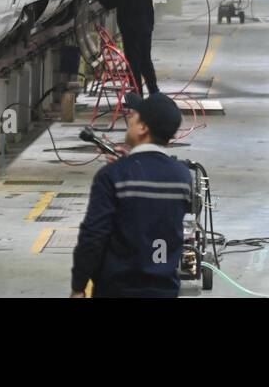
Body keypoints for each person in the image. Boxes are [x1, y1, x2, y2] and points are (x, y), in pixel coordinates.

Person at [70, 92, 193, 298]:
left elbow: (93, 236)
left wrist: (78, 285)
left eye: (134, 116)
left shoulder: (112, 176)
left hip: (118, 289)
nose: (129, 119)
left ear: (143, 128)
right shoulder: (182, 176)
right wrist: (134, 163)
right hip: (164, 289)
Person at [93, 0, 181, 95]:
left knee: (132, 63)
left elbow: (108, 3)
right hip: (145, 28)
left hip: (128, 31)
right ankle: (154, 93)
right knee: (146, 60)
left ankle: (137, 94)